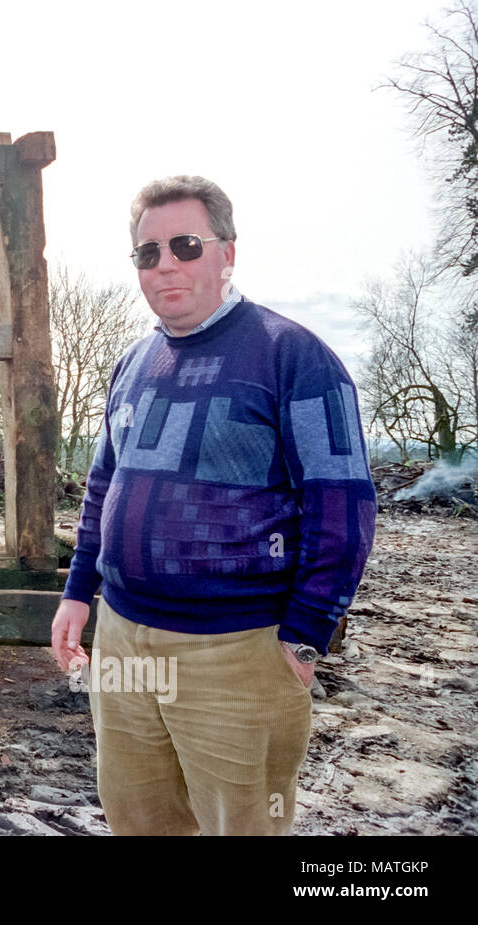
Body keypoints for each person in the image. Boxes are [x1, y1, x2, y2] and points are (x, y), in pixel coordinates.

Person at [51, 175, 376, 835]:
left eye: (185, 245)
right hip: (121, 637)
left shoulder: (294, 357)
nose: (165, 263)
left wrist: (306, 636)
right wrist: (79, 590)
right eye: (148, 252)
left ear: (227, 252)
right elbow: (105, 483)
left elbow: (341, 503)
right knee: (139, 819)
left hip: (236, 649)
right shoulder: (133, 364)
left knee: (241, 827)